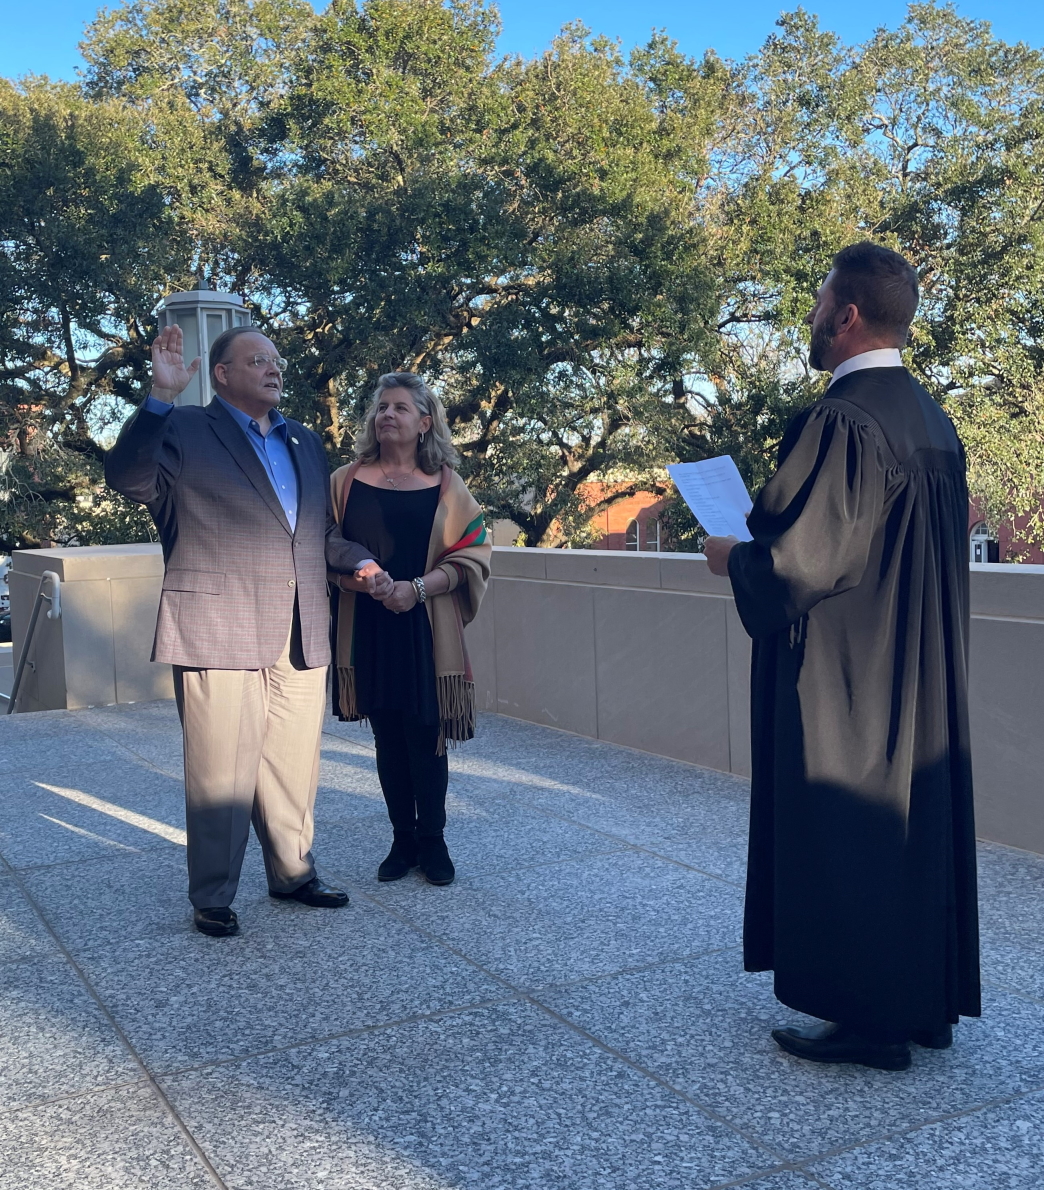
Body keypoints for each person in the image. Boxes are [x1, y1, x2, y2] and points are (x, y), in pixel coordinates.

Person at [704, 242, 980, 1072]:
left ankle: (869, 1020)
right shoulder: (930, 418)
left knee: (852, 830)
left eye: (822, 299)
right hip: (920, 670)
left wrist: (732, 557)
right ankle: (921, 1007)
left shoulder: (845, 418)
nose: (814, 315)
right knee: (911, 831)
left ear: (847, 314)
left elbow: (799, 566)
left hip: (849, 675)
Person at [106, 323, 382, 937]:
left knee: (293, 765)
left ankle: (293, 873)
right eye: (257, 360)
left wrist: (354, 559)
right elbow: (127, 480)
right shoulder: (181, 429)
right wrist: (158, 398)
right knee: (219, 772)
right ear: (222, 375)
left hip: (300, 627)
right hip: (216, 623)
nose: (273, 368)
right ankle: (212, 894)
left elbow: (313, 534)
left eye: (277, 360)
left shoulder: (306, 442)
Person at [327, 372, 491, 886]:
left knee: (427, 734)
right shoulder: (345, 480)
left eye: (399, 408)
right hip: (368, 626)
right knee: (388, 738)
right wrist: (363, 580)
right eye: (381, 407)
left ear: (425, 422)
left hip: (425, 626)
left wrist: (415, 589)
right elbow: (321, 540)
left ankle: (433, 841)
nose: (387, 415)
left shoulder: (445, 483)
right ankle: (401, 840)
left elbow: (474, 550)